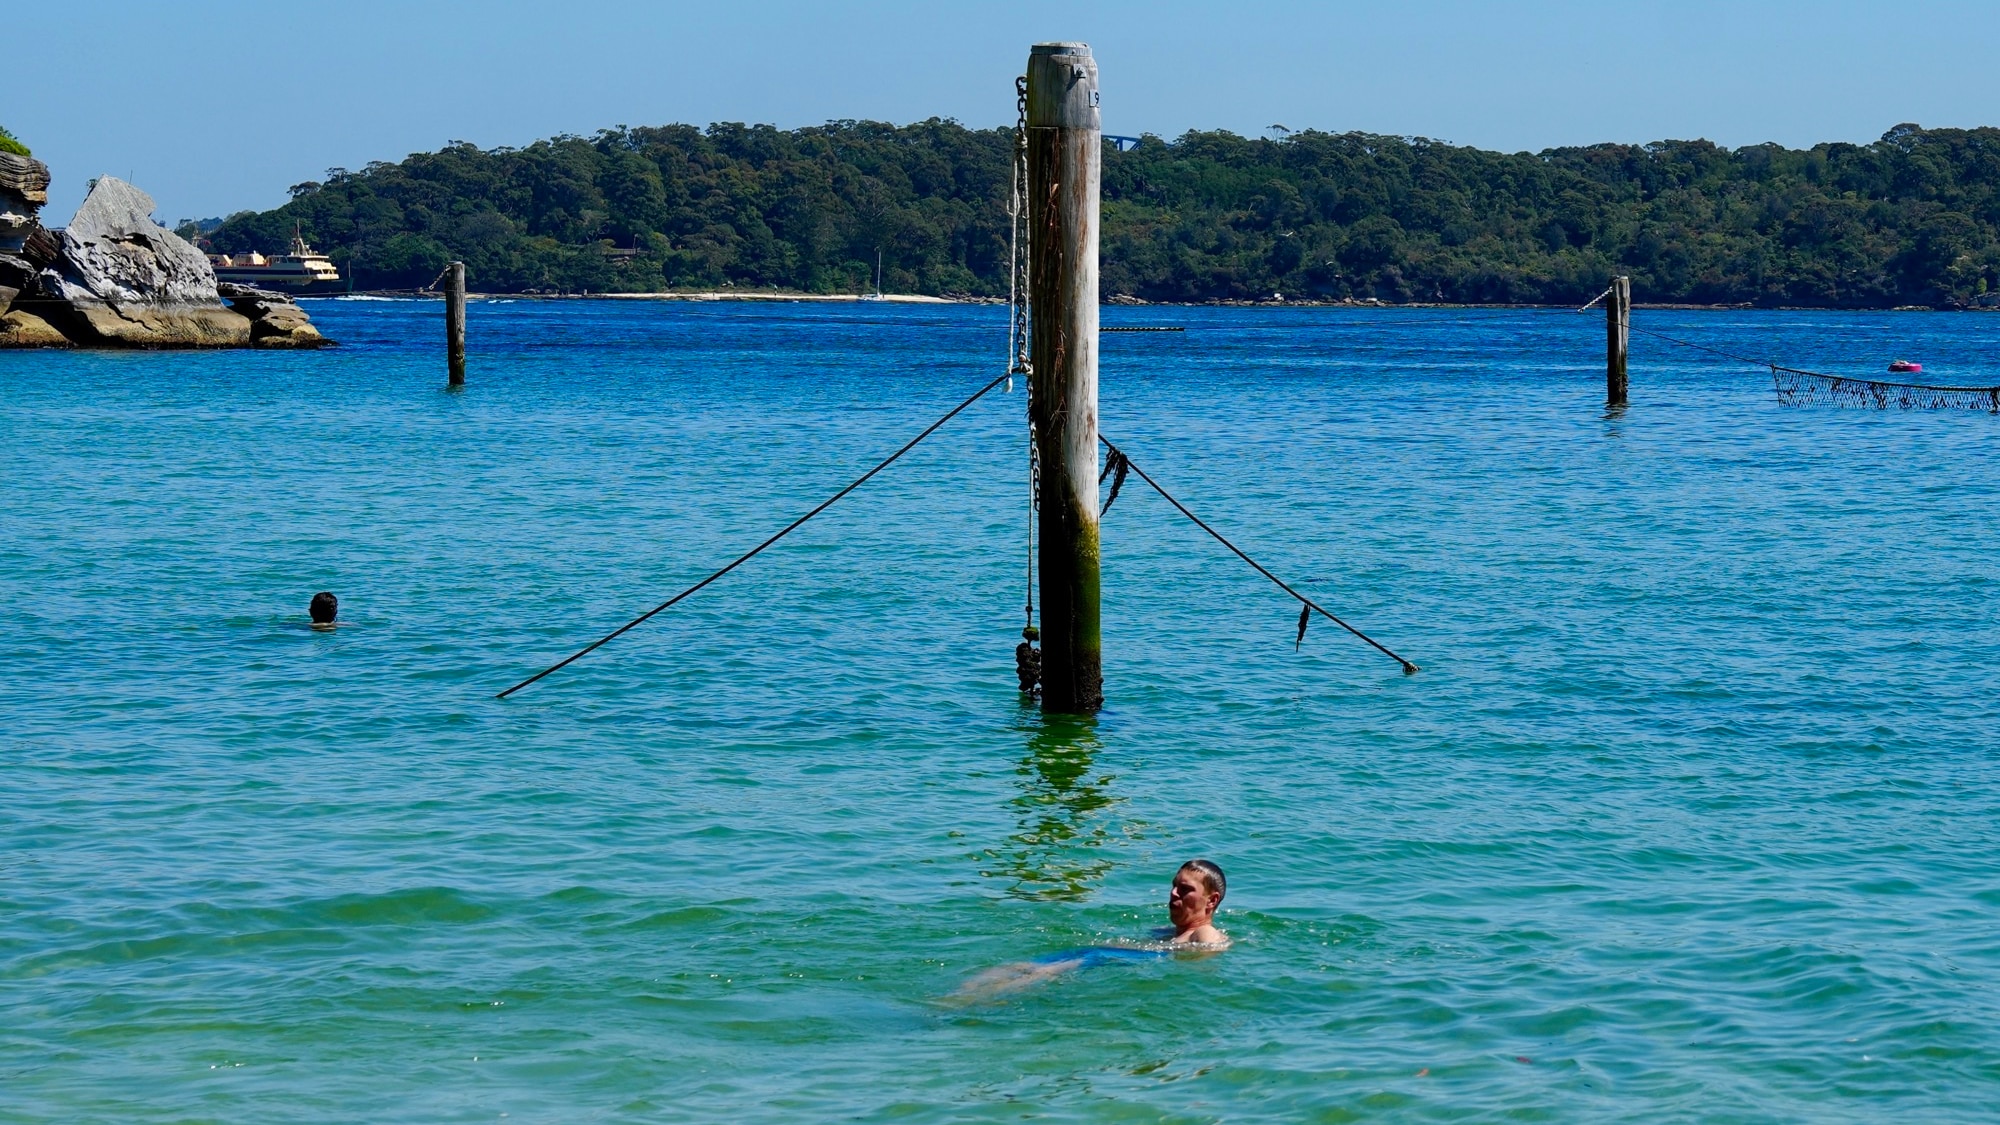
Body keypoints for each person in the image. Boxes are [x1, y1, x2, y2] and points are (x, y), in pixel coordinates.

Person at [952, 860, 1230, 1001]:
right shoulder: (1167, 930)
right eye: (1173, 885)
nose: (1172, 894)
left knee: (1048, 971)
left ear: (1212, 899)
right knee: (1022, 965)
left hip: (1109, 959)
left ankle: (973, 1002)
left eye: (1184, 890)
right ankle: (959, 993)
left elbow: (1209, 953)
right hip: (1101, 953)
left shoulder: (1203, 933)